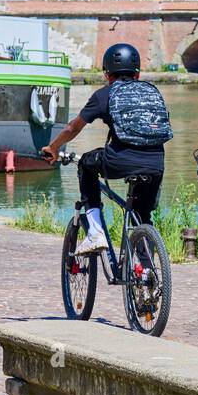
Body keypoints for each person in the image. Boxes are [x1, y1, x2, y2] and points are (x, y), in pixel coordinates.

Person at [41, 43, 171, 255]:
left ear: (106, 74)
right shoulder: (151, 92)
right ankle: (147, 273)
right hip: (156, 163)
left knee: (86, 163)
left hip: (120, 160)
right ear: (137, 74)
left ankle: (95, 232)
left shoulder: (105, 94)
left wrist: (53, 148)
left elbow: (73, 127)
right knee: (142, 215)